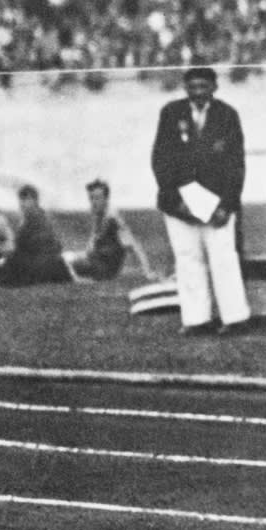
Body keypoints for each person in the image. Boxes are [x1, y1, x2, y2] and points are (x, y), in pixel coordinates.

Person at [150, 66, 253, 336]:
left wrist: (226, 205)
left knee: (223, 258)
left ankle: (235, 317)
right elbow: (160, 160)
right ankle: (197, 320)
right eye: (193, 87)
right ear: (185, 88)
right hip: (180, 203)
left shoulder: (227, 115)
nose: (198, 93)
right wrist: (177, 200)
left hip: (216, 203)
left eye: (203, 87)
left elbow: (236, 165)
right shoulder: (171, 113)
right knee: (188, 259)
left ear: (214, 87)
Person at [66, 178, 157, 281]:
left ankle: (79, 280)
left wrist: (147, 272)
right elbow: (92, 247)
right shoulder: (100, 216)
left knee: (66, 261)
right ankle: (78, 278)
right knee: (67, 258)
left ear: (106, 199)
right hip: (95, 263)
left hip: (104, 269)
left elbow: (134, 245)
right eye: (91, 198)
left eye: (97, 198)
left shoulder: (112, 219)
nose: (93, 202)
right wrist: (82, 255)